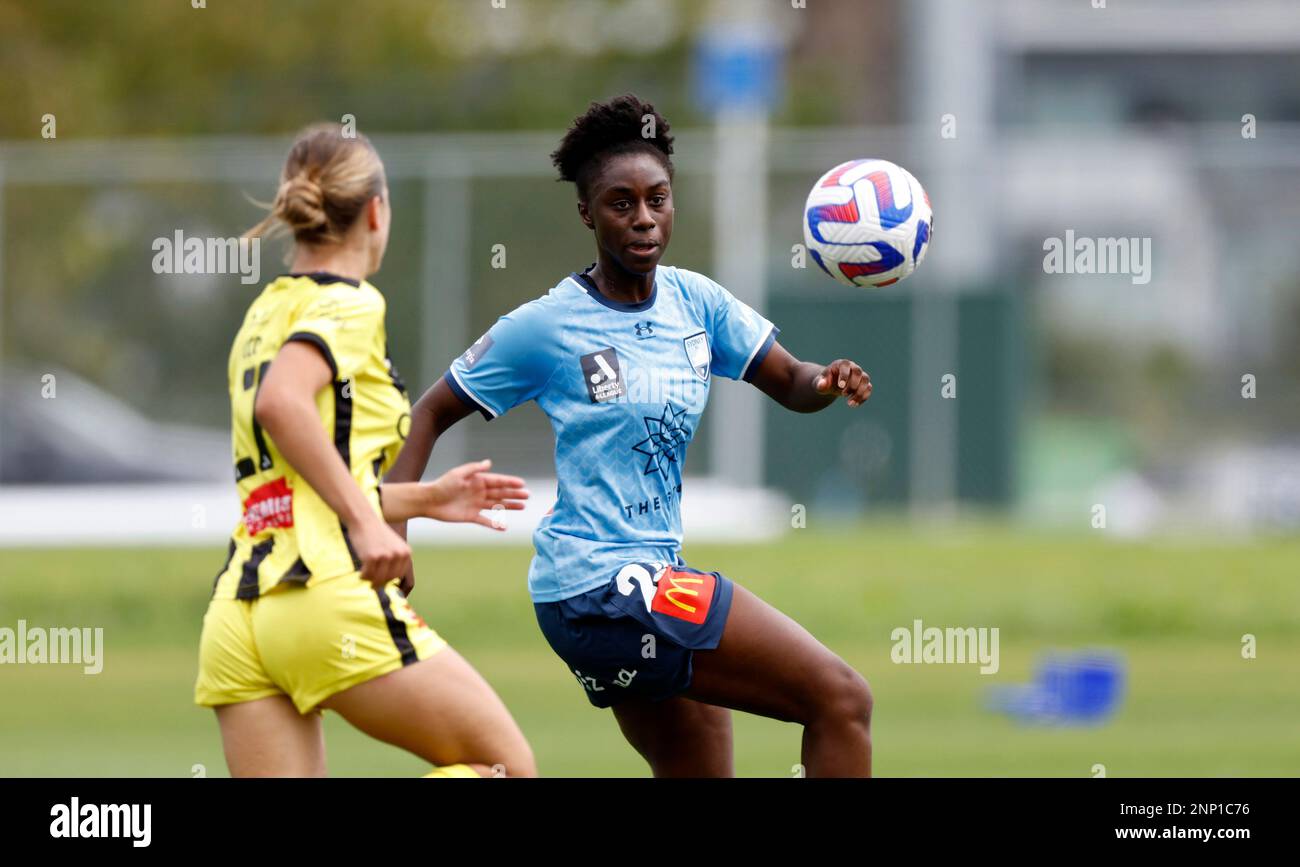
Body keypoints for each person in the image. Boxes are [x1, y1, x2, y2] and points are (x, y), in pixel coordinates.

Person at [387, 95, 875, 777]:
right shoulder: (548, 325)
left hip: (637, 587)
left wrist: (827, 381)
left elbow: (790, 379)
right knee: (842, 699)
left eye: (658, 199)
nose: (644, 218)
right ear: (587, 213)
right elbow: (430, 410)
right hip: (602, 586)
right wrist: (390, 526)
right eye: (622, 203)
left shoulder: (695, 301)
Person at [194, 123, 536, 778]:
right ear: (377, 211)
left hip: (240, 614)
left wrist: (422, 497)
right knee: (506, 766)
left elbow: (292, 480)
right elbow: (282, 404)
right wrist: (363, 520)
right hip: (319, 596)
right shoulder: (349, 305)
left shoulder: (265, 311)